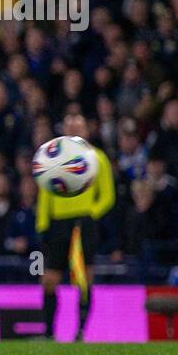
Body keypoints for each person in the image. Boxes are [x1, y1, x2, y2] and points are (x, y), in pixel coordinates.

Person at [36, 114, 115, 340]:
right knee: (49, 280)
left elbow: (108, 195)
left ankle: (80, 330)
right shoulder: (52, 156)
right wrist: (43, 224)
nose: (74, 130)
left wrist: (91, 213)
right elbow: (45, 193)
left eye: (78, 126)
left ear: (87, 130)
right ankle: (49, 333)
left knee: (83, 278)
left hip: (83, 223)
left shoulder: (97, 157)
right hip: (58, 224)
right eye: (69, 126)